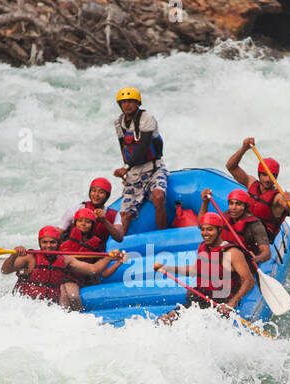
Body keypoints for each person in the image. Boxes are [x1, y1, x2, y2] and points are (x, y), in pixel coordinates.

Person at [155, 213, 254, 323]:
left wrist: (231, 304)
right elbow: (195, 270)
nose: (205, 233)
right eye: (203, 229)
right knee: (164, 319)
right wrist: (166, 268)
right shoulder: (204, 247)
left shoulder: (232, 252)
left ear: (220, 230)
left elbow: (249, 280)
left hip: (221, 304)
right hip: (201, 299)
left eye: (210, 229)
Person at [2, 226, 125, 311]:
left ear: (58, 243)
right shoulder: (29, 258)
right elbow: (5, 270)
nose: (48, 246)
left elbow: (93, 269)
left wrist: (108, 258)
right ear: (40, 243)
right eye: (45, 242)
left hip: (49, 308)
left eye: (52, 242)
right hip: (25, 306)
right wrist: (13, 255)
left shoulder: (65, 259)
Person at [112, 87, 168, 235]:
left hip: (154, 168)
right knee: (125, 214)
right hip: (135, 172)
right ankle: (119, 249)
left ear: (137, 103)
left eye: (131, 101)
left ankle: (164, 236)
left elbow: (143, 147)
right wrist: (126, 169)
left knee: (158, 197)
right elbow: (124, 148)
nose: (127, 105)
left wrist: (126, 166)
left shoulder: (147, 118)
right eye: (123, 102)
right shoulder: (118, 122)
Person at [224, 136, 290, 238]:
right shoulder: (251, 182)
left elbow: (289, 209)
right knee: (220, 222)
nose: (267, 180)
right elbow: (231, 167)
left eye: (272, 176)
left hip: (260, 237)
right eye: (264, 175)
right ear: (259, 174)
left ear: (276, 177)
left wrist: (289, 202)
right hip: (243, 227)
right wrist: (244, 148)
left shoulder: (278, 197)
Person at [198, 187, 271, 264]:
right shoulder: (226, 215)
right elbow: (201, 225)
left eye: (238, 204)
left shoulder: (255, 226)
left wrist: (255, 259)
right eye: (231, 203)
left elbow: (267, 253)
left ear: (245, 206)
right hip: (224, 257)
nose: (233, 208)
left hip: (242, 261)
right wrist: (205, 203)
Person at [59, 177, 124, 243]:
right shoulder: (76, 209)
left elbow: (119, 238)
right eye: (94, 191)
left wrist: (105, 221)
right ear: (90, 192)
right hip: (72, 251)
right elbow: (58, 233)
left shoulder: (114, 215)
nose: (96, 195)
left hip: (95, 252)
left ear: (107, 196)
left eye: (101, 192)